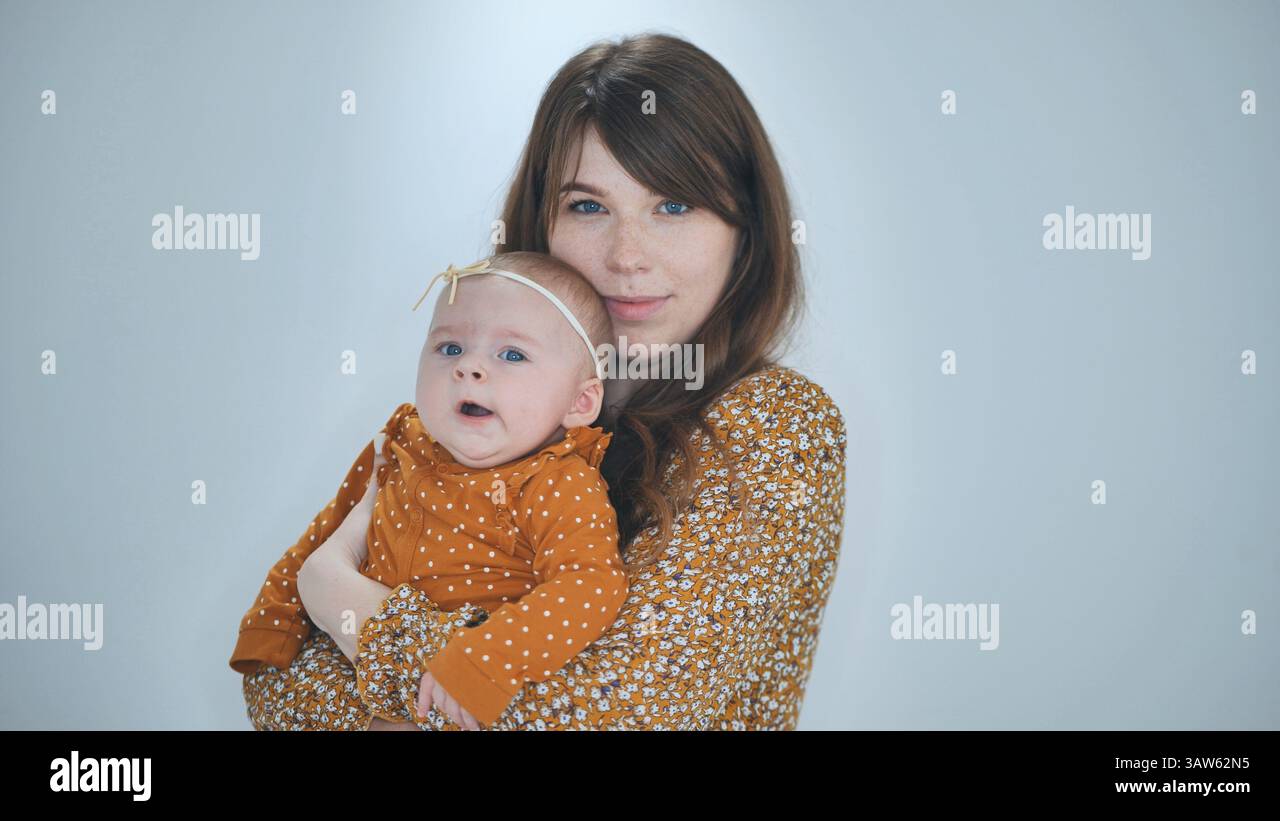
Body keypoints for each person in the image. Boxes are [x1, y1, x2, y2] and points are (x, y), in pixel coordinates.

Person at [240, 31, 847, 731]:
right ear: (542, 221)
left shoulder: (779, 425)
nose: (626, 256)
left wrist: (340, 594)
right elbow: (276, 682)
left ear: (746, 230)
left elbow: (610, 714)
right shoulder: (489, 408)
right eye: (588, 206)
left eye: (674, 206)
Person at [231, 252, 632, 729]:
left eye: (512, 355)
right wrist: (272, 621)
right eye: (449, 348)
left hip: (464, 675)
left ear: (579, 401)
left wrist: (490, 657)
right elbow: (325, 532)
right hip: (353, 667)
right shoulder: (399, 443)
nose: (470, 369)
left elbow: (589, 585)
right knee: (288, 700)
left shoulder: (557, 482)